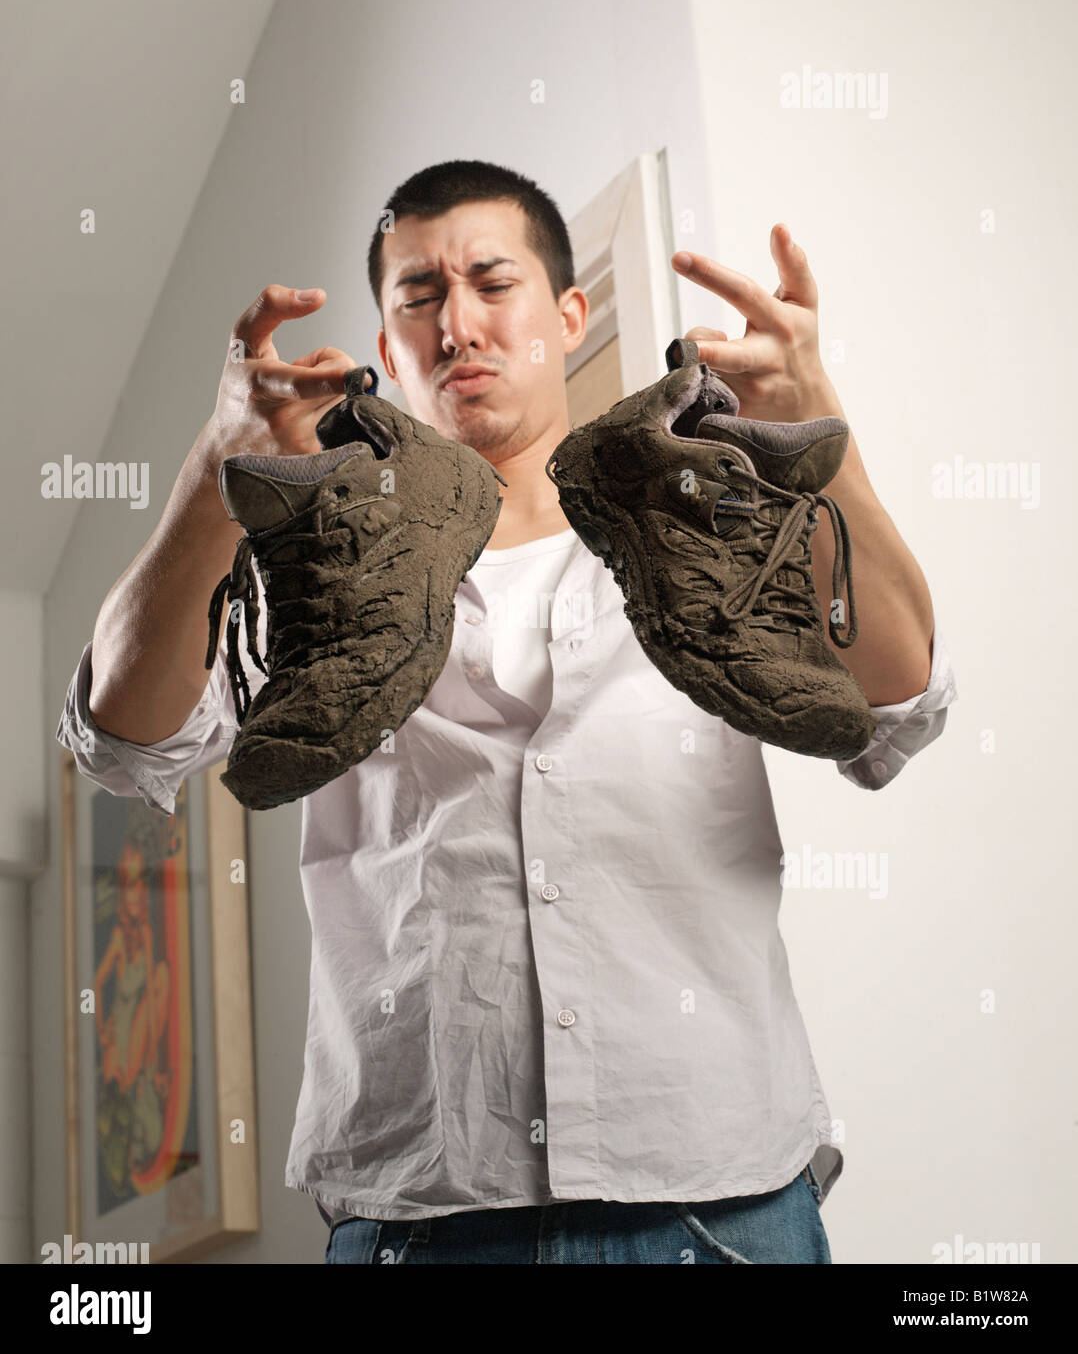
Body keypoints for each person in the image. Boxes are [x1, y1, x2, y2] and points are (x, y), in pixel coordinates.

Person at [57, 159, 956, 1264]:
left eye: (492, 281)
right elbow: (118, 740)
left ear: (569, 316)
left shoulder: (723, 522)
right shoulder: (307, 568)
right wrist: (216, 463)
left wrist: (822, 427)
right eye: (418, 298)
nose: (457, 324)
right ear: (386, 352)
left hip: (718, 1204)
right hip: (424, 1212)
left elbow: (901, 705)